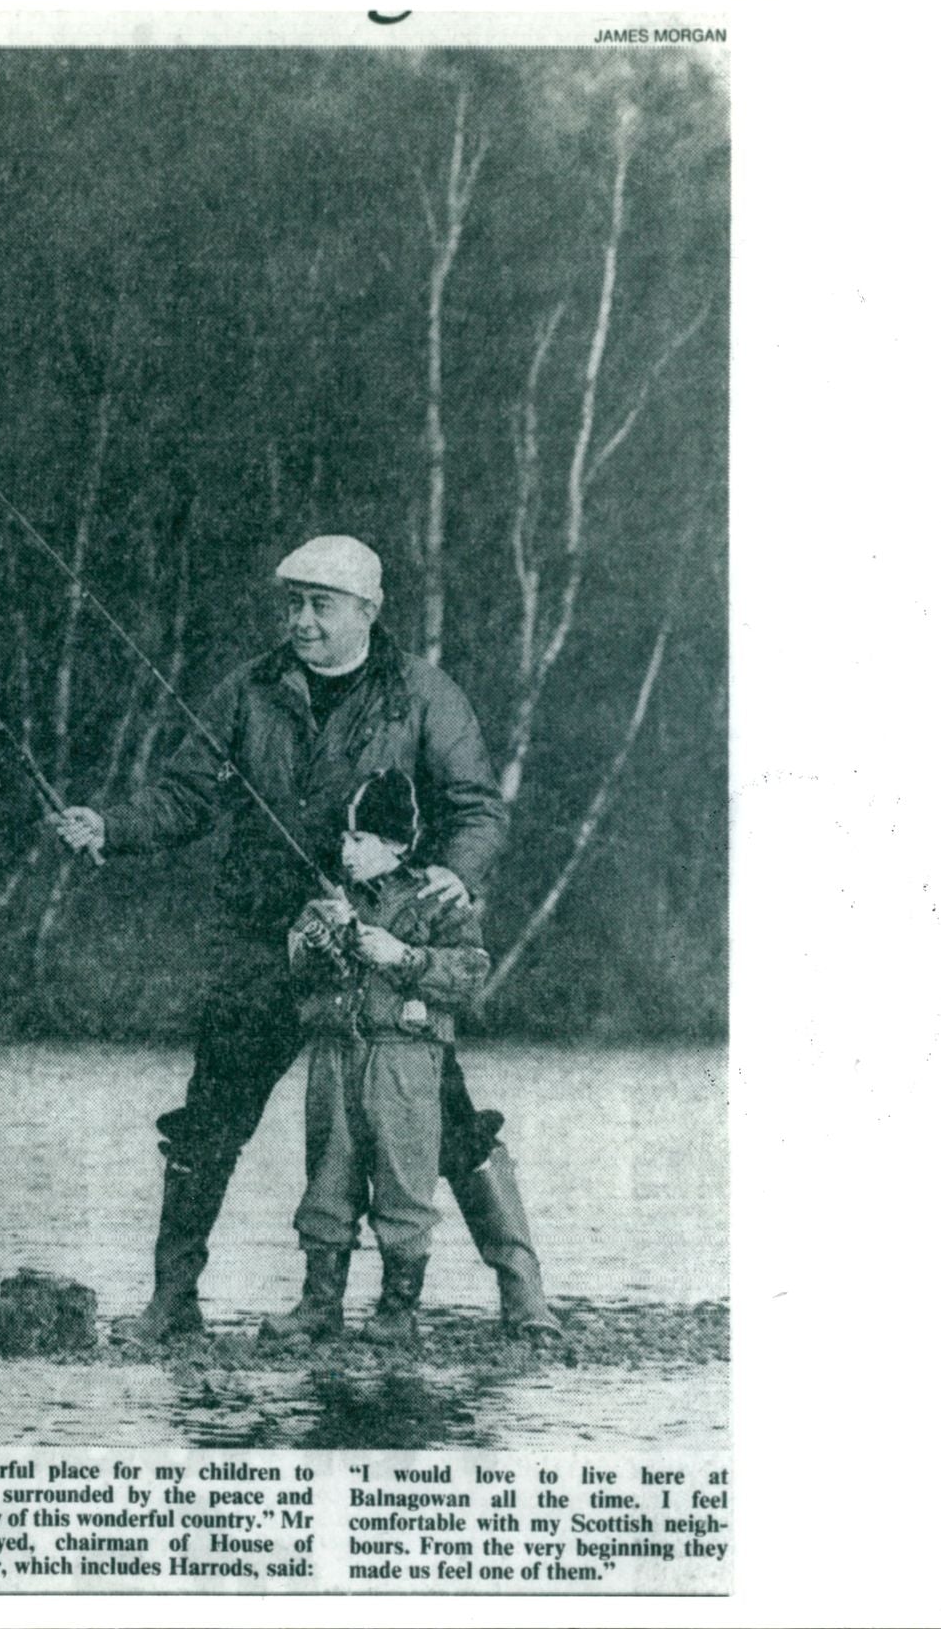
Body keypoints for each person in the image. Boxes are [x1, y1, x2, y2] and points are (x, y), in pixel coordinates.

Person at [47, 534, 559, 1344]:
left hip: (378, 951)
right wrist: (108, 825)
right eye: (293, 604)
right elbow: (183, 798)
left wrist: (457, 872)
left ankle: (524, 1294)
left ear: (367, 611)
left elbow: (478, 808)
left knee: (447, 1122)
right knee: (211, 1116)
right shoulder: (246, 692)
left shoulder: (424, 695)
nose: (303, 622)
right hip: (260, 944)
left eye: (321, 605)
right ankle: (172, 1301)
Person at [259, 769, 489, 1347]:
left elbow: (469, 974)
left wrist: (403, 956)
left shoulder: (439, 903)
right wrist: (315, 945)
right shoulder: (327, 904)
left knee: (404, 1184)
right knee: (327, 1181)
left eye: (359, 840)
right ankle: (319, 1306)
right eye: (343, 838)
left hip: (405, 1061)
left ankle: (397, 1311)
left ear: (395, 844)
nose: (345, 849)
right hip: (334, 1057)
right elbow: (300, 976)